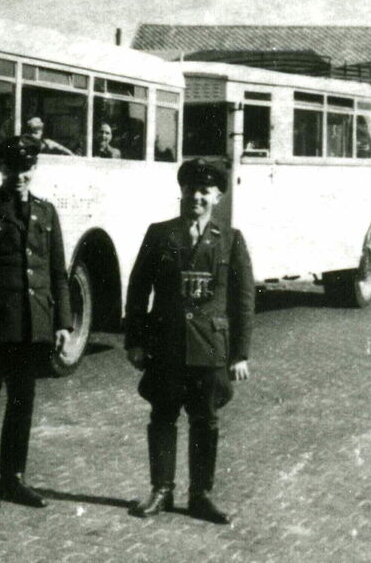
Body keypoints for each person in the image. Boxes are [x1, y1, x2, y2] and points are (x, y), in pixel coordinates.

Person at [124, 158, 254, 525]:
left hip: (210, 348)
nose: (196, 196)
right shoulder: (160, 233)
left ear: (217, 196)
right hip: (165, 345)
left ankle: (201, 495)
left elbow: (243, 301)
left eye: (205, 191)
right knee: (162, 416)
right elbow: (137, 289)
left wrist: (240, 353)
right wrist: (135, 340)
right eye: (191, 189)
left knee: (205, 420)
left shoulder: (230, 239)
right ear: (181, 191)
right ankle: (161, 490)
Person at [0, 135, 74, 509]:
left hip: (32, 326)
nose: (18, 175)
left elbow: (57, 272)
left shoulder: (47, 212)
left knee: (23, 401)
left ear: (34, 169)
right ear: (0, 169)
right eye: (10, 168)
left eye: (25, 168)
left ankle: (14, 477)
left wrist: (62, 322)